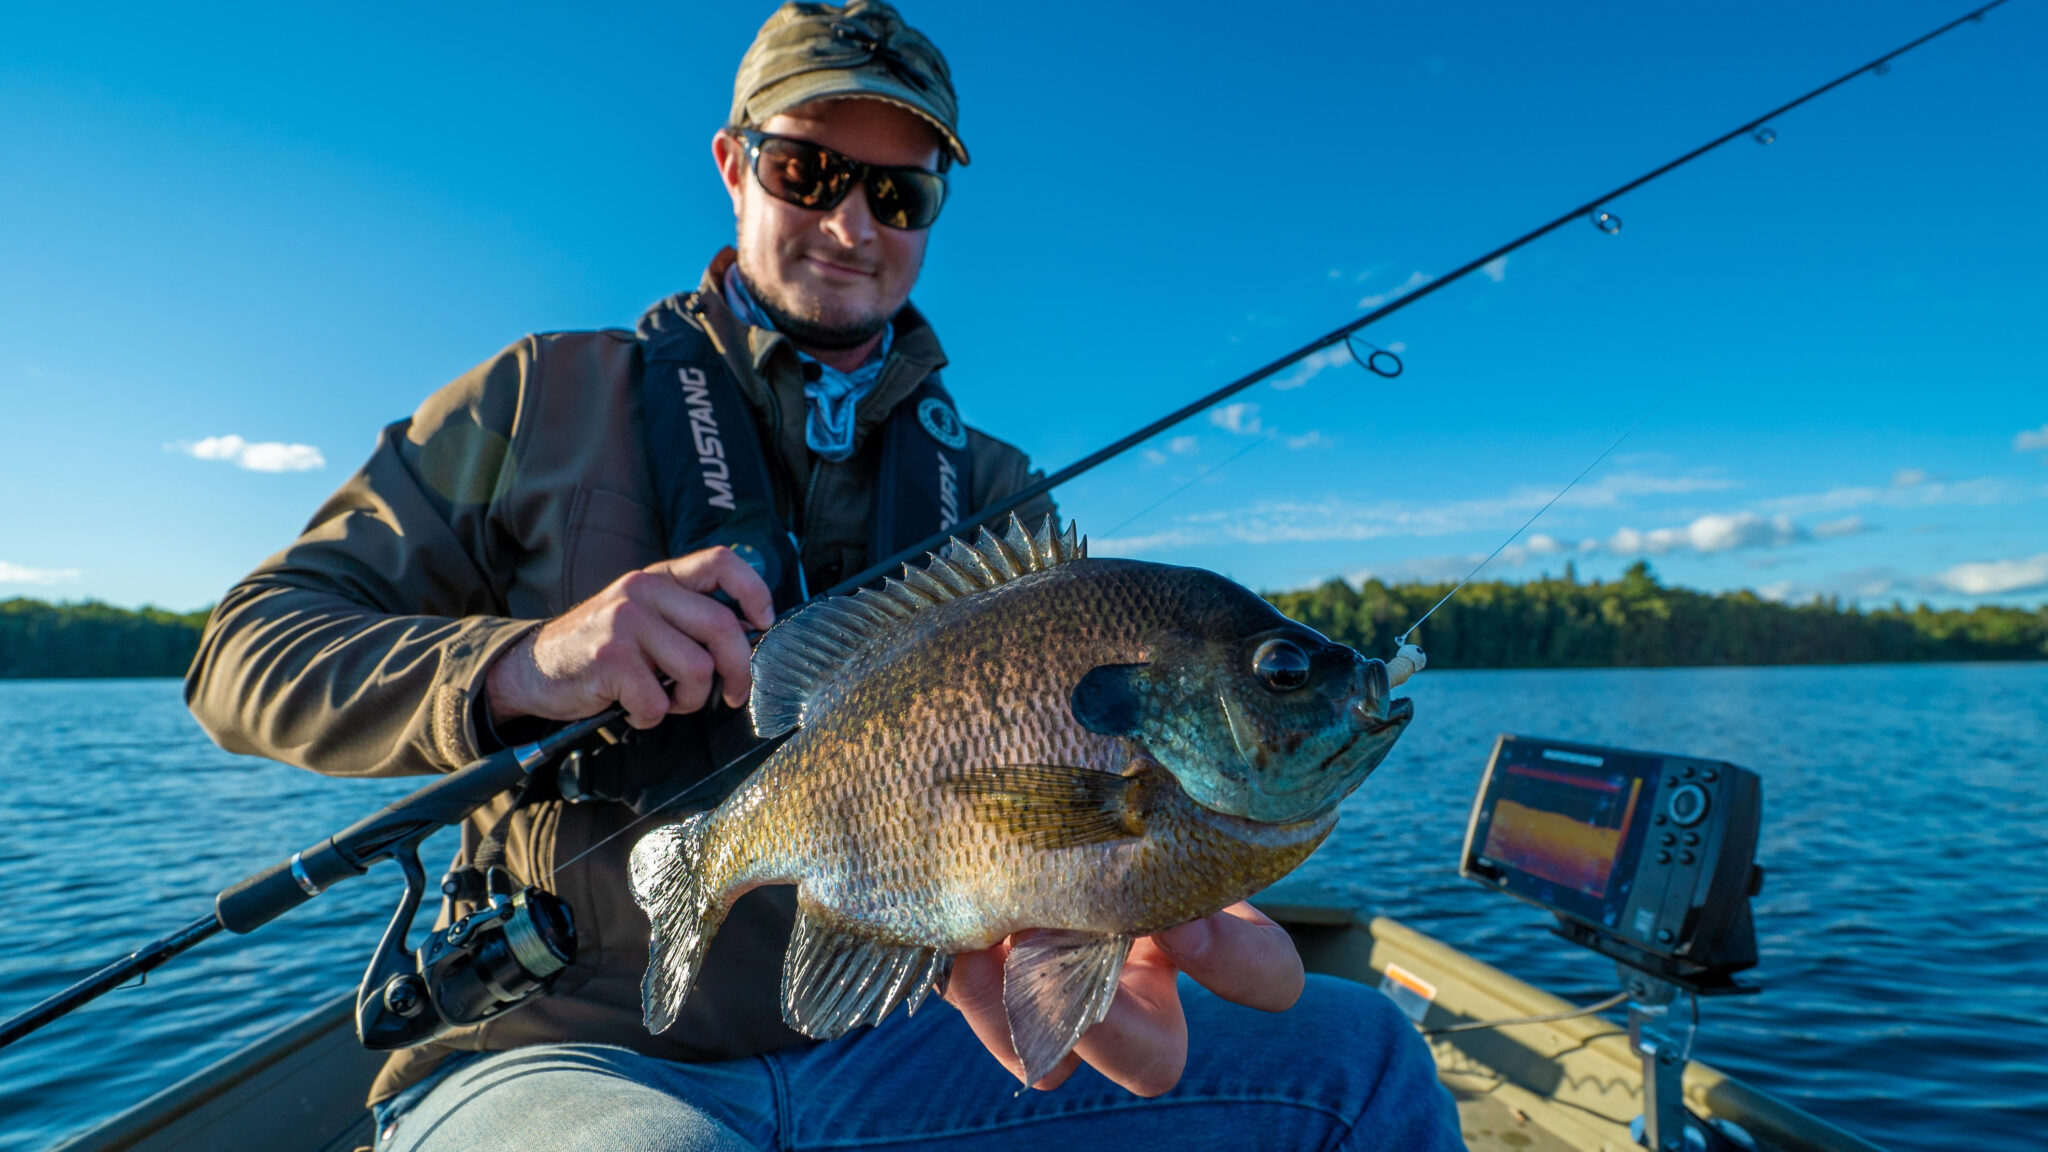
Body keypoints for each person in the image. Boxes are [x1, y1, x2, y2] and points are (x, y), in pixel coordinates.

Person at [184, 2, 1465, 1148]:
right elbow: (241, 654)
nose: (854, 224)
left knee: (1358, 1061)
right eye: (810, 171)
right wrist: (523, 662)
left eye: (901, 196)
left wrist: (1094, 933)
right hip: (561, 1048)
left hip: (897, 1040)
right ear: (733, 162)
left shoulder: (999, 497)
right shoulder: (538, 401)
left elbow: (1054, 846)